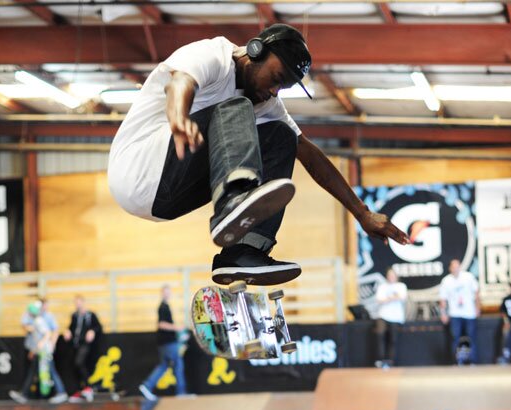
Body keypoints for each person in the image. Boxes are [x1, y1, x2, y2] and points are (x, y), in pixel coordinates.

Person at [107, 24, 408, 286]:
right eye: (276, 78)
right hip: (140, 167)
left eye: (284, 87)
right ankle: (234, 200)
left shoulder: (267, 104)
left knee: (283, 135)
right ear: (255, 51)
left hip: (168, 199)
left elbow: (310, 155)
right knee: (236, 109)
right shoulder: (213, 55)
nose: (274, 92)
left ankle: (244, 251)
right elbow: (181, 82)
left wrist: (362, 213)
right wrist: (178, 116)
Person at [9, 299, 68, 404]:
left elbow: (48, 333)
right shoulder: (36, 320)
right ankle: (24, 394)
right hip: (41, 350)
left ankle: (61, 392)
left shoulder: (39, 321)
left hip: (44, 350)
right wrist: (35, 349)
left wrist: (41, 345)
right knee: (34, 371)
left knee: (50, 370)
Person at [139, 285, 189, 400]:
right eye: (165, 292)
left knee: (164, 365)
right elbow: (161, 324)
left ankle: (147, 385)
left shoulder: (165, 306)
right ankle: (181, 392)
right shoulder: (163, 307)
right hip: (168, 343)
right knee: (178, 365)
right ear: (162, 293)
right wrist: (177, 328)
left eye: (169, 292)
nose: (168, 294)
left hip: (165, 343)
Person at [439, 259, 480, 364]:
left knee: (471, 338)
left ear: (460, 267)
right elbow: (443, 299)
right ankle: (457, 361)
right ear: (450, 268)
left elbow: (476, 293)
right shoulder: (446, 280)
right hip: (455, 313)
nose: (456, 269)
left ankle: (472, 360)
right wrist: (443, 313)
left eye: (457, 266)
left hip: (469, 313)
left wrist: (477, 308)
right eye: (453, 267)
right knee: (455, 338)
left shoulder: (468, 277)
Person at [63, 294, 104, 402]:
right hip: (75, 345)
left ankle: (88, 387)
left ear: (83, 302)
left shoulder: (90, 315)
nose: (77, 305)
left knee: (79, 363)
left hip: (85, 345)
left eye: (79, 302)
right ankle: (79, 390)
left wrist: (92, 331)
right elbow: (71, 327)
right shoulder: (74, 316)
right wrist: (67, 331)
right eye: (75, 303)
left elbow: (98, 327)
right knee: (74, 367)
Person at [374, 268, 407, 368]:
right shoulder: (382, 287)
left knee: (393, 339)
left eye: (393, 275)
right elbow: (379, 300)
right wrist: (393, 297)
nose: (391, 277)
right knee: (380, 333)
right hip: (383, 315)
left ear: (396, 276)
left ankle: (390, 361)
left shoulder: (401, 286)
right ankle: (381, 359)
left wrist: (387, 299)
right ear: (387, 276)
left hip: (396, 318)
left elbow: (402, 298)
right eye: (389, 275)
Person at [499, 280, 511, 363]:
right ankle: (506, 355)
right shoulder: (506, 299)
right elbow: (502, 312)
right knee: (506, 333)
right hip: (510, 321)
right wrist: (506, 322)